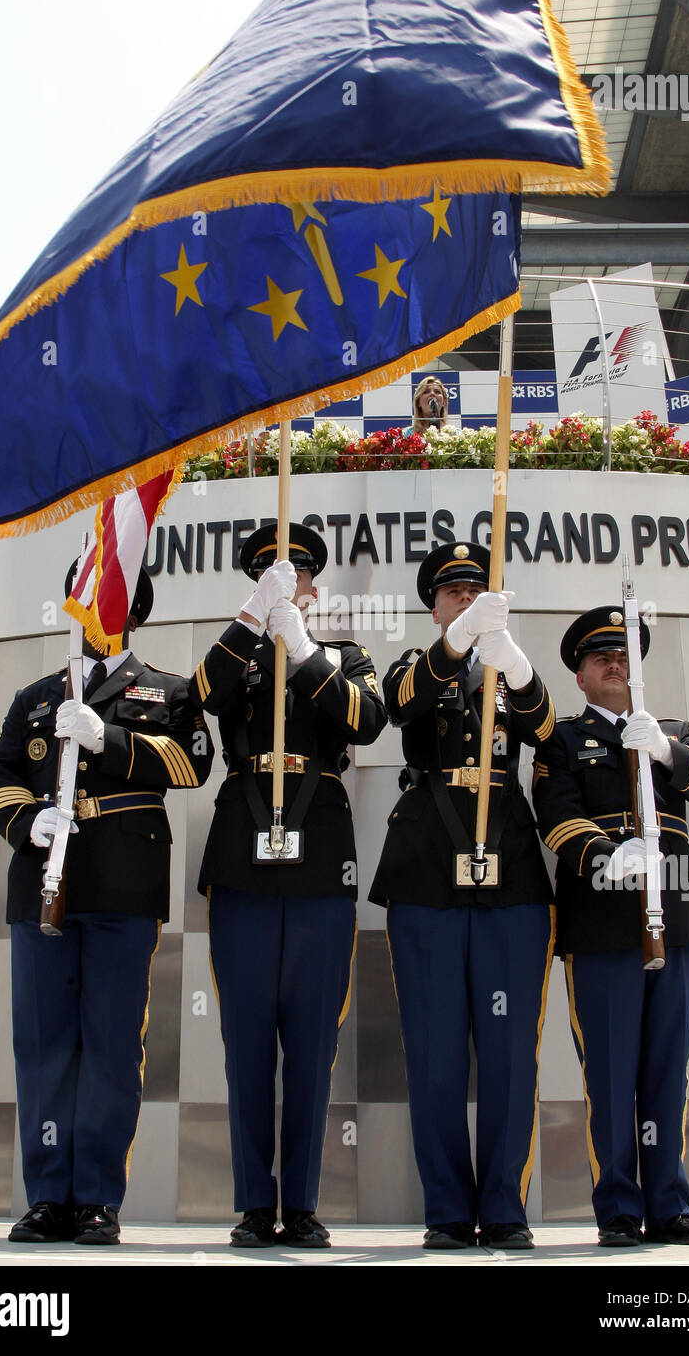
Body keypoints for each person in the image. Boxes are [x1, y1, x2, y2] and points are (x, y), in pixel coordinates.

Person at [0, 565, 212, 1245]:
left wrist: (104, 739)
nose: (93, 618)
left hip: (121, 885)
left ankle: (95, 1199)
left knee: (112, 1045)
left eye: (106, 606)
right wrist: (27, 823)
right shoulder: (35, 696)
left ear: (131, 612)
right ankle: (48, 1195)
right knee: (44, 1044)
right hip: (44, 885)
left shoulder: (167, 690)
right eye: (86, 606)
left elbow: (193, 763)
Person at [190, 522, 386, 1249]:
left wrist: (302, 650)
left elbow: (366, 721)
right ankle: (251, 1204)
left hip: (320, 860)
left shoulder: (343, 655)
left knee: (312, 1040)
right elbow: (201, 697)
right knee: (245, 1040)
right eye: (274, 577)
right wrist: (250, 621)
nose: (289, 587)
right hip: (243, 855)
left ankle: (300, 1203)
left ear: (314, 587)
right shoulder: (234, 654)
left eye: (299, 577)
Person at [369, 542, 556, 1250]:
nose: (466, 599)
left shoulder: (511, 670)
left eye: (477, 590)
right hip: (425, 871)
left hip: (509, 873)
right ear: (435, 605)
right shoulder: (416, 666)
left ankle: (504, 1207)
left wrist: (520, 666)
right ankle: (449, 1208)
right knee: (435, 1050)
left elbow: (546, 734)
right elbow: (399, 704)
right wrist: (454, 642)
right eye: (452, 593)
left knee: (510, 1051)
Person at [532, 606, 689, 1247]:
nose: (614, 666)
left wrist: (667, 750)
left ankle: (669, 1204)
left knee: (669, 1070)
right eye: (600, 660)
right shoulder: (560, 741)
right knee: (611, 1070)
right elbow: (556, 818)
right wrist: (606, 854)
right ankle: (618, 1205)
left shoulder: (669, 730)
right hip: (604, 922)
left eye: (624, 658)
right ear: (582, 679)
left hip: (672, 915)